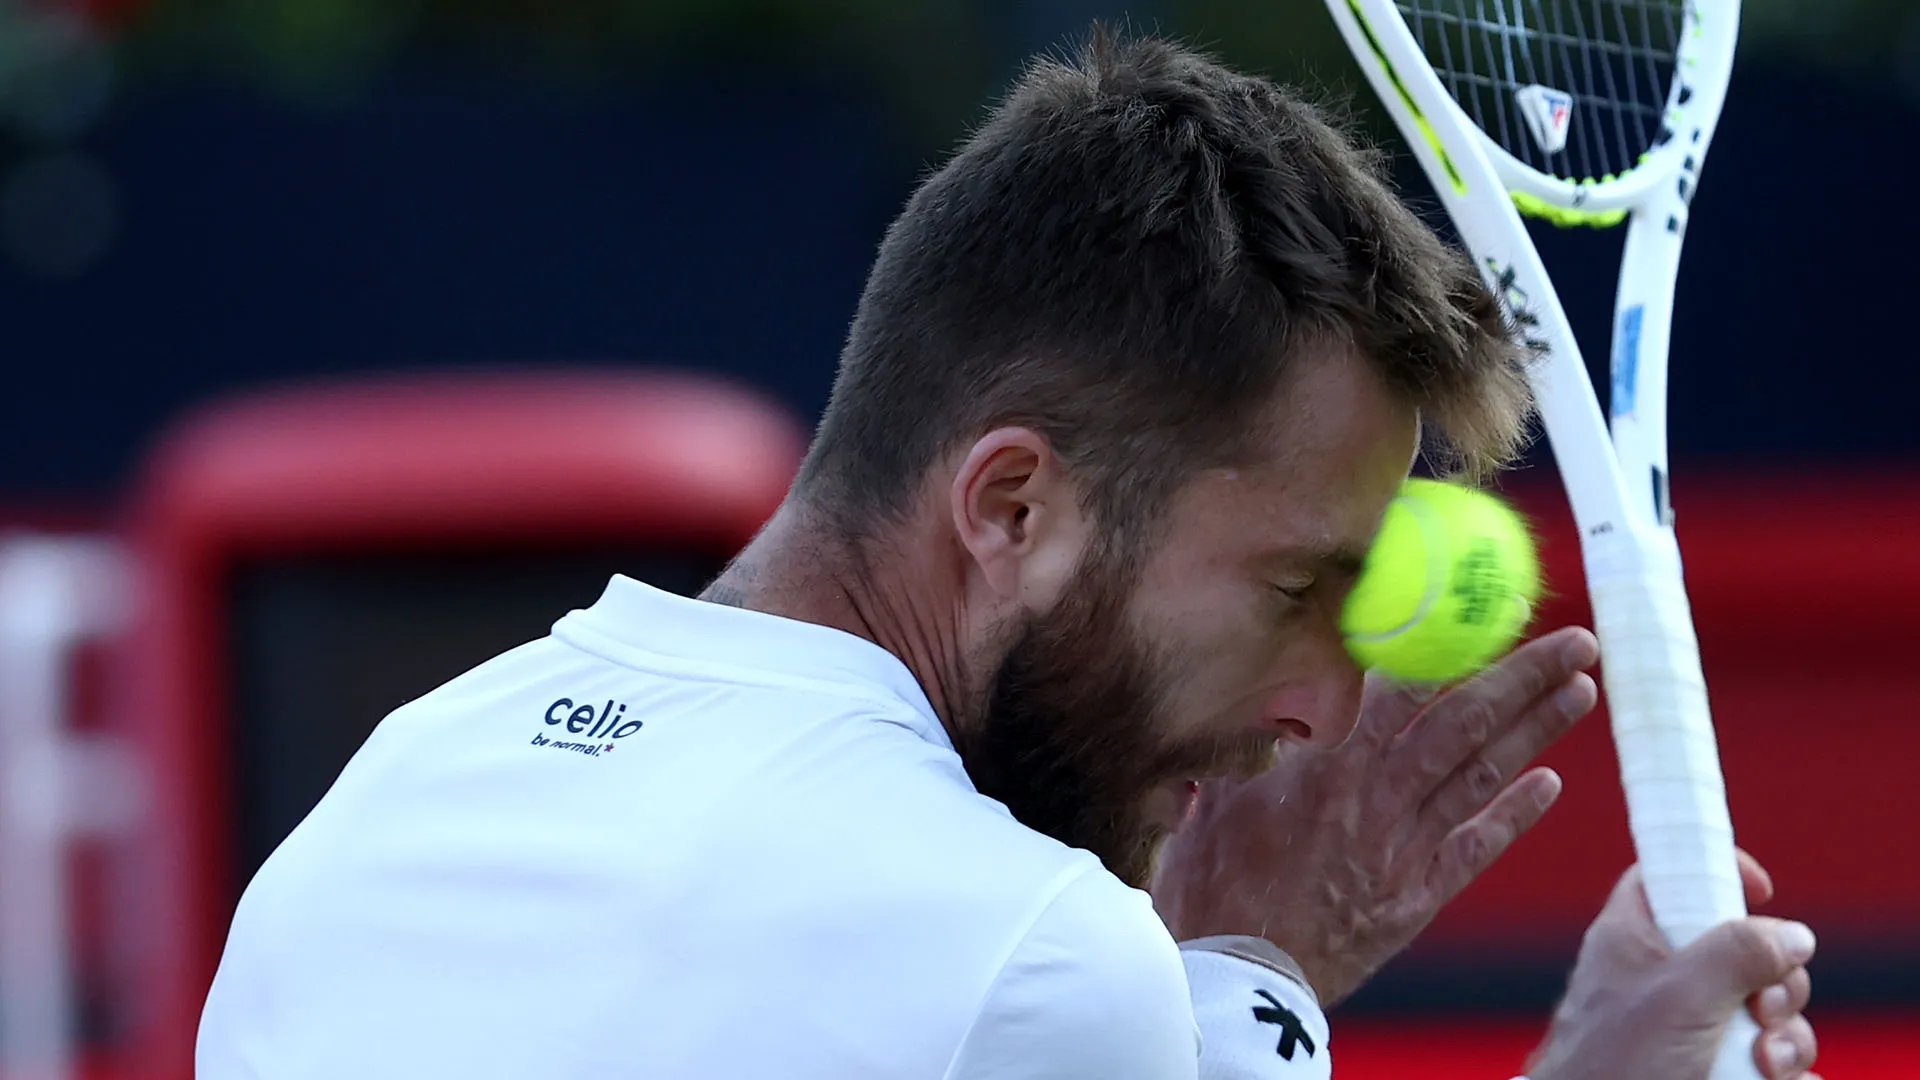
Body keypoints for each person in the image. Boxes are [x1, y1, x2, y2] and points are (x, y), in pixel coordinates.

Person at [195, 28, 1819, 1080]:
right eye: (1290, 589)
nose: (1325, 707)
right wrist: (1239, 974)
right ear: (1013, 508)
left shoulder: (386, 797)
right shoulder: (1034, 956)